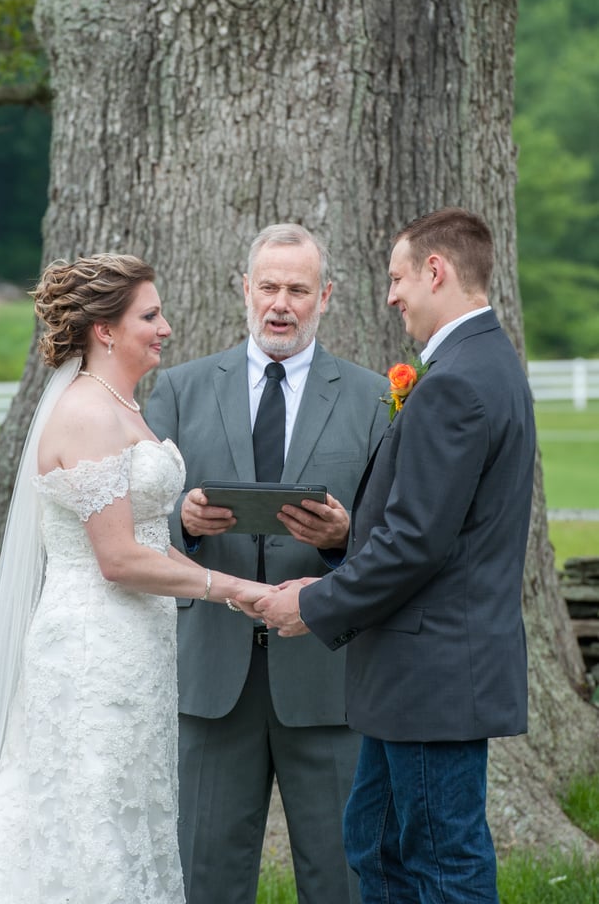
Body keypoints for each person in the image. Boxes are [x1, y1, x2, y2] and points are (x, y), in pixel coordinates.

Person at [0, 253, 264, 904]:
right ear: (105, 330)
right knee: (89, 818)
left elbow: (150, 539)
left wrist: (243, 593)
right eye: (150, 316)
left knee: (131, 815)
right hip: (92, 649)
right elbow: (117, 559)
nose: (166, 328)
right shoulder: (87, 414)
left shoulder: (123, 406)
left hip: (137, 646)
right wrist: (230, 589)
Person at [250, 208, 537, 904]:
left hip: (434, 674)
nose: (391, 295)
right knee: (376, 845)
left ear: (436, 270)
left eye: (398, 276)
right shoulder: (483, 362)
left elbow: (417, 543)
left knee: (443, 862)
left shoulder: (458, 383)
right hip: (410, 678)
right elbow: (437, 526)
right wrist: (347, 539)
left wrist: (310, 604)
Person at [145, 223, 389, 904]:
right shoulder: (181, 391)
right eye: (269, 286)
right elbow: (132, 522)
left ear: (327, 296)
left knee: (341, 878)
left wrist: (344, 536)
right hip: (212, 675)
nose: (281, 303)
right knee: (206, 878)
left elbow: (402, 536)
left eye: (299, 289)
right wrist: (183, 524)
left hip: (328, 677)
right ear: (244, 289)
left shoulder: (374, 399)